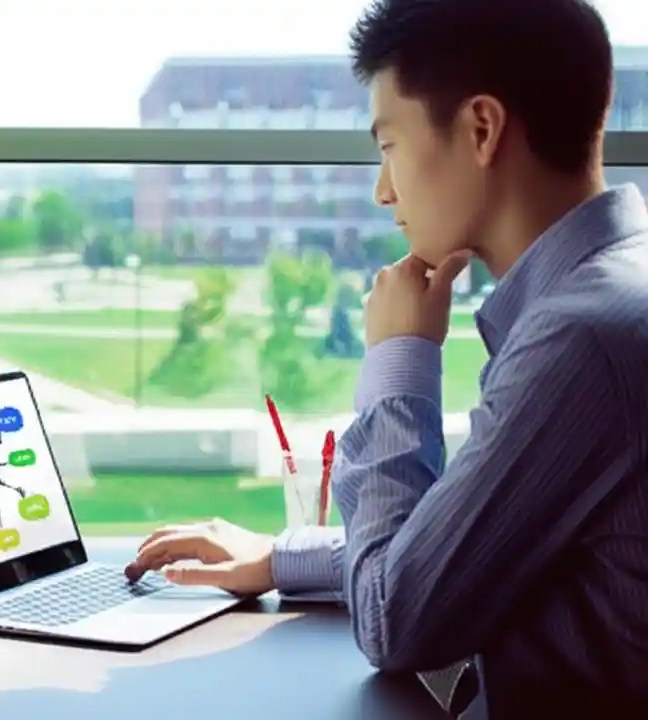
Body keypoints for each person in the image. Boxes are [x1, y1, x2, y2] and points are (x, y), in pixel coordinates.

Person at [125, 0, 648, 715]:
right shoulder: (619, 290)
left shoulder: (579, 341)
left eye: (390, 145)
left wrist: (400, 357)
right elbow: (475, 550)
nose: (382, 190)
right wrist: (285, 558)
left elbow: (397, 620)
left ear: (482, 129)